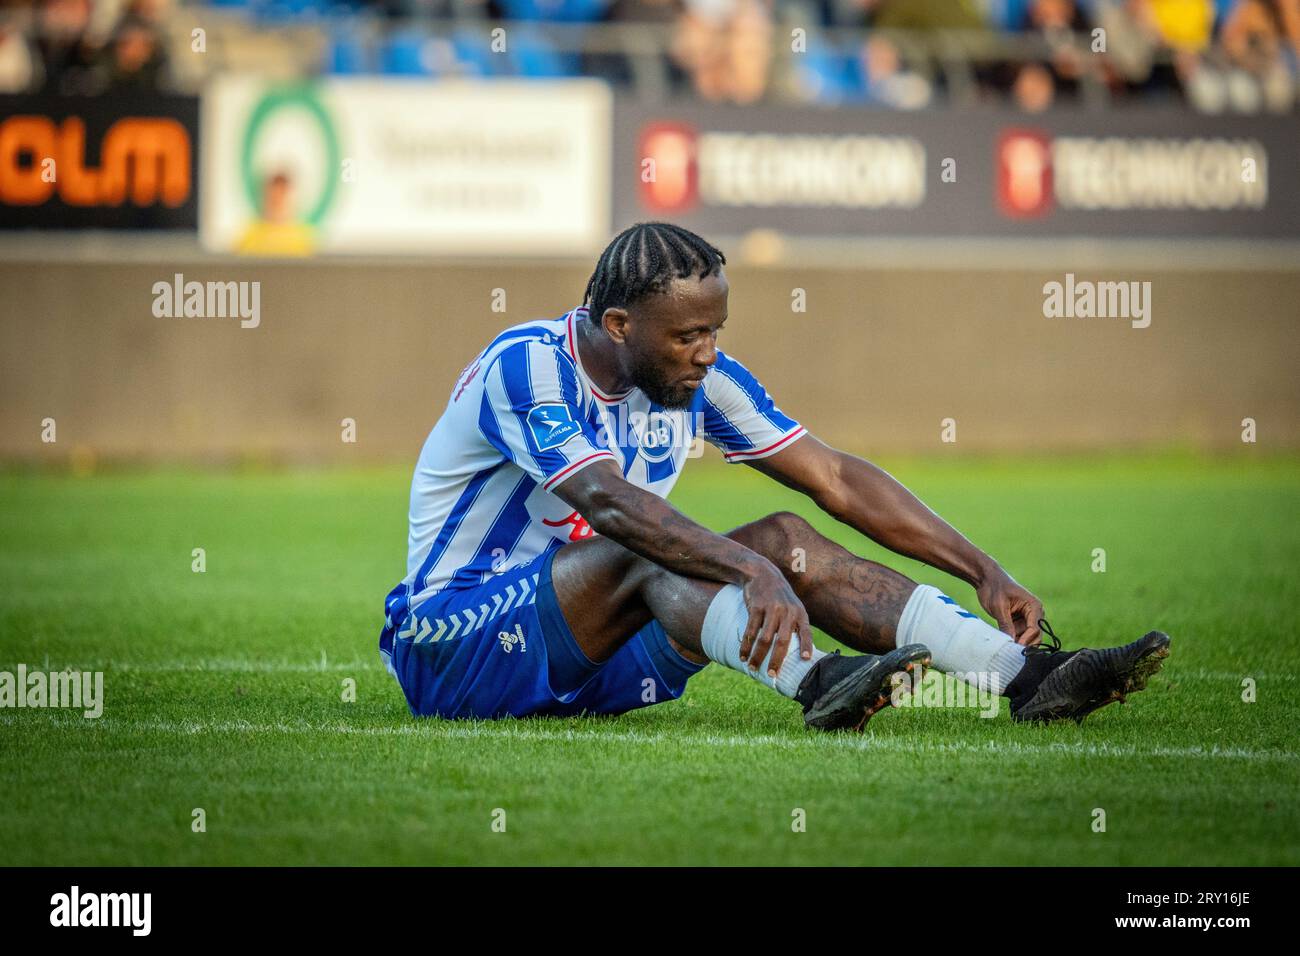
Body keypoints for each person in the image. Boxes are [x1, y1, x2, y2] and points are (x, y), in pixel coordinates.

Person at [378, 222, 1170, 731]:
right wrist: (747, 569)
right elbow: (608, 505)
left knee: (789, 537)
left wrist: (980, 567)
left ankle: (1022, 675)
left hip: (597, 646)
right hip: (458, 646)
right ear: (618, 326)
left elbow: (833, 476)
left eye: (716, 330)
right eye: (688, 334)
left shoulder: (690, 376)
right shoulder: (527, 368)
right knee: (664, 547)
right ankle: (819, 680)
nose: (708, 352)